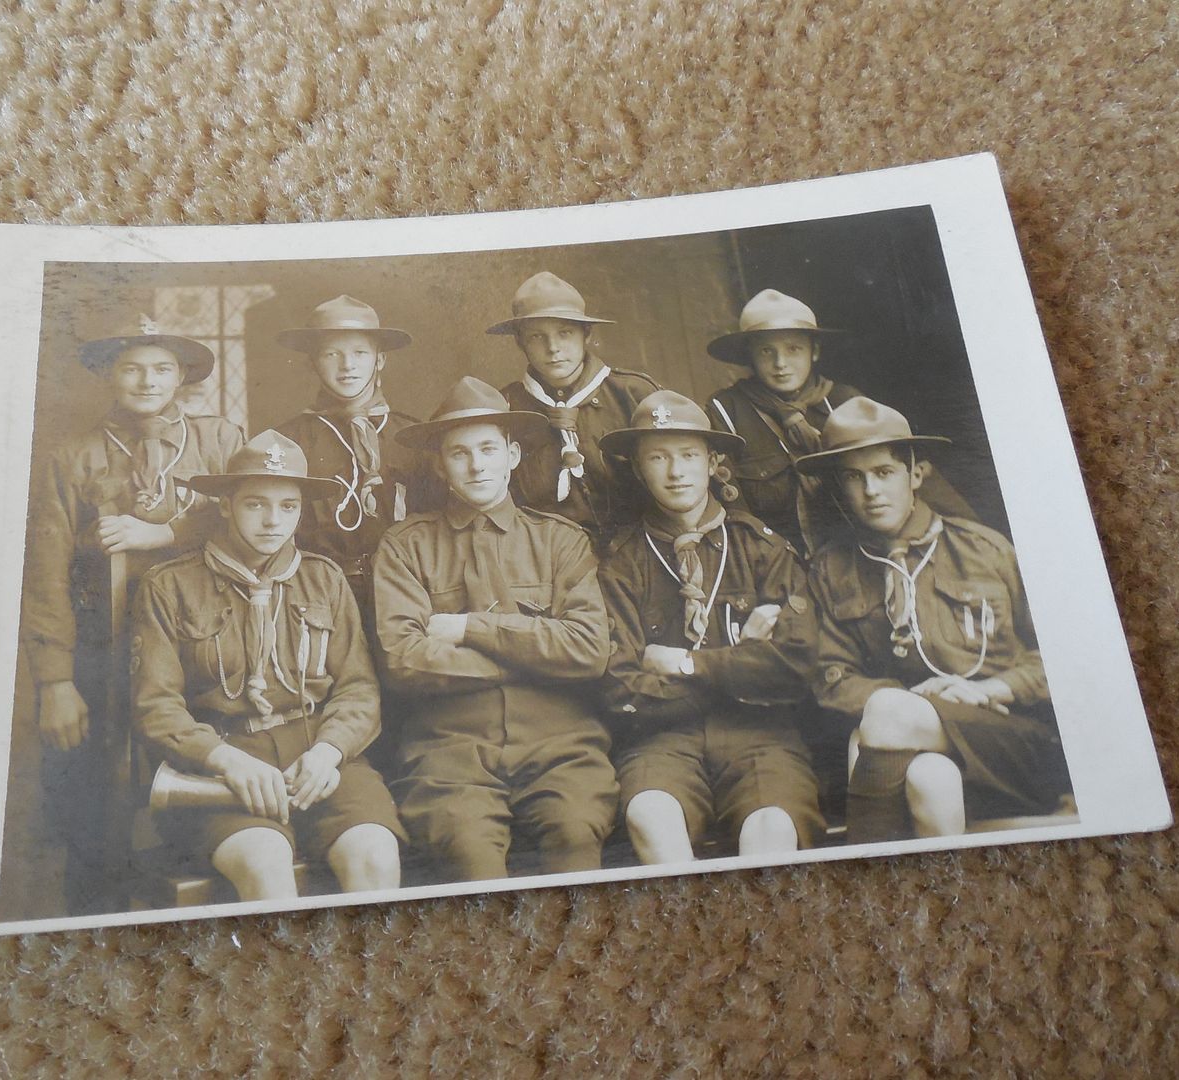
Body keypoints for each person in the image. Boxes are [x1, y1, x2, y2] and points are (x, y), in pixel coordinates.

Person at [20, 315, 244, 913]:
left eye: (162, 368)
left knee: (204, 794)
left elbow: (251, 519)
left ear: (182, 377)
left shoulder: (221, 440)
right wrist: (56, 680)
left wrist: (163, 531)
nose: (147, 380)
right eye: (132, 367)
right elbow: (45, 570)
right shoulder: (74, 455)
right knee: (101, 806)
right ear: (108, 373)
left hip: (205, 648)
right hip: (104, 651)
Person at [132, 432, 405, 901]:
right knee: (264, 861)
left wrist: (329, 752)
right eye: (255, 504)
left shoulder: (324, 578)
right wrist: (225, 759)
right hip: (220, 763)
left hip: (317, 755)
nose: (273, 521)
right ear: (225, 506)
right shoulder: (170, 585)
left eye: (288, 506)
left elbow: (358, 688)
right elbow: (157, 704)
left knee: (375, 855)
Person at [373, 376, 619, 882]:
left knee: (575, 836)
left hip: (561, 748)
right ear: (439, 465)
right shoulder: (406, 547)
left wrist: (468, 628)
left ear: (512, 455)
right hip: (449, 755)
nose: (476, 465)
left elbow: (590, 650)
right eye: (459, 453)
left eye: (488, 449)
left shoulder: (560, 541)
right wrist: (533, 655)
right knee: (469, 856)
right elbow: (403, 659)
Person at [796, 397, 1070, 844]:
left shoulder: (986, 550)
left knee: (880, 719)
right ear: (838, 486)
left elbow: (1060, 656)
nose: (870, 491)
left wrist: (987, 690)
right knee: (928, 776)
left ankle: (861, 875)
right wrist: (912, 702)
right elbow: (831, 678)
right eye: (853, 477)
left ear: (916, 474)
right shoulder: (833, 570)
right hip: (912, 741)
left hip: (1014, 743)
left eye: (884, 472)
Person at [598, 391, 823, 863]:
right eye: (658, 458)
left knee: (771, 828)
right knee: (650, 815)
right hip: (661, 740)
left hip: (761, 735)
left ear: (713, 461)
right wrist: (739, 667)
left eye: (688, 455)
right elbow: (619, 685)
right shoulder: (621, 563)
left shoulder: (761, 548)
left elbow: (794, 663)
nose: (675, 472)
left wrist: (682, 663)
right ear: (638, 469)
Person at [704, 289, 973, 555]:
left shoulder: (847, 401)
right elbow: (737, 516)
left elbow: (908, 477)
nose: (780, 363)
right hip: (780, 563)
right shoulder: (727, 411)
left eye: (793, 349)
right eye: (766, 351)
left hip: (860, 557)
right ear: (749, 357)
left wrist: (970, 539)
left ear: (815, 351)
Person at [274, 295, 441, 613]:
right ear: (312, 361)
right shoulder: (288, 440)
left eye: (359, 353)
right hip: (317, 594)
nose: (347, 365)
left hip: (407, 591)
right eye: (331, 354)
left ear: (380, 360)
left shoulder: (414, 437)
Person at [491, 271, 660, 549]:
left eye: (565, 333)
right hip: (550, 559)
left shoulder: (634, 395)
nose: (553, 348)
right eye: (537, 337)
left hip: (640, 551)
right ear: (520, 342)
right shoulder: (506, 408)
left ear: (586, 334)